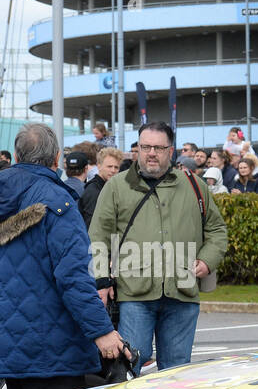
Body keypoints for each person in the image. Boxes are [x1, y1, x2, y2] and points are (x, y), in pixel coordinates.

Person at [0, 123, 123, 389]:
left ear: (17, 156)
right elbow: (72, 277)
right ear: (56, 158)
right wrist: (103, 332)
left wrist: (5, 294)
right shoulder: (58, 201)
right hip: (54, 347)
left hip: (9, 344)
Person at [89, 121, 228, 371]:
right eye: (145, 147)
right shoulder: (116, 186)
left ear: (170, 151)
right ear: (138, 149)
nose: (151, 152)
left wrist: (208, 260)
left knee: (176, 373)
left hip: (182, 294)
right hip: (134, 294)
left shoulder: (195, 186)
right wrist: (101, 280)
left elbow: (217, 229)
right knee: (129, 371)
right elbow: (98, 236)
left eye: (158, 147)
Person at [80, 146, 123, 226]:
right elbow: (92, 225)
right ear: (99, 166)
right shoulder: (93, 191)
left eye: (116, 167)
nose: (113, 170)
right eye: (109, 166)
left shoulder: (109, 188)